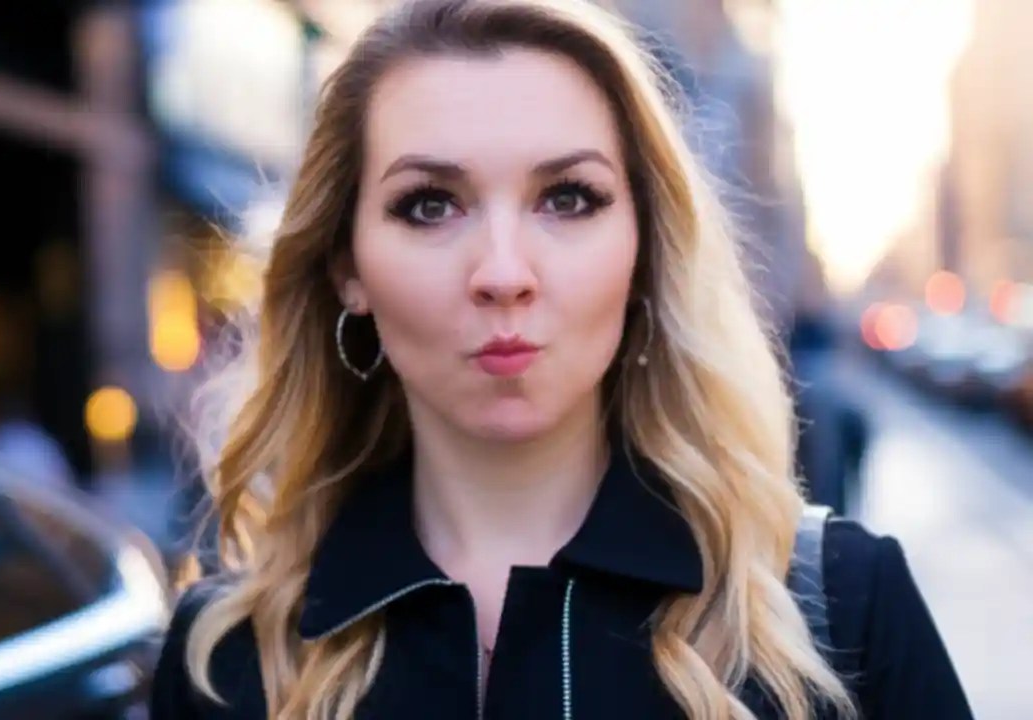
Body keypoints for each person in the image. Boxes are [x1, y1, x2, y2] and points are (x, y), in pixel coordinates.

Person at [152, 0, 972, 718]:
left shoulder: (842, 612)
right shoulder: (226, 659)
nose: (504, 273)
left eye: (567, 198)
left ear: (644, 249)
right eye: (430, 205)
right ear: (348, 268)